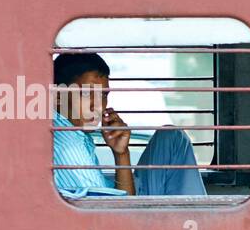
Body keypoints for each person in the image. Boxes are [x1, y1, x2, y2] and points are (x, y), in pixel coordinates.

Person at [52, 53, 206, 198]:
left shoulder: (72, 134)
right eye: (86, 93)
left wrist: (121, 153)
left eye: (103, 95)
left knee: (170, 137)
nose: (98, 106)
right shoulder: (69, 147)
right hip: (111, 221)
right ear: (59, 96)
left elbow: (120, 202)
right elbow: (113, 215)